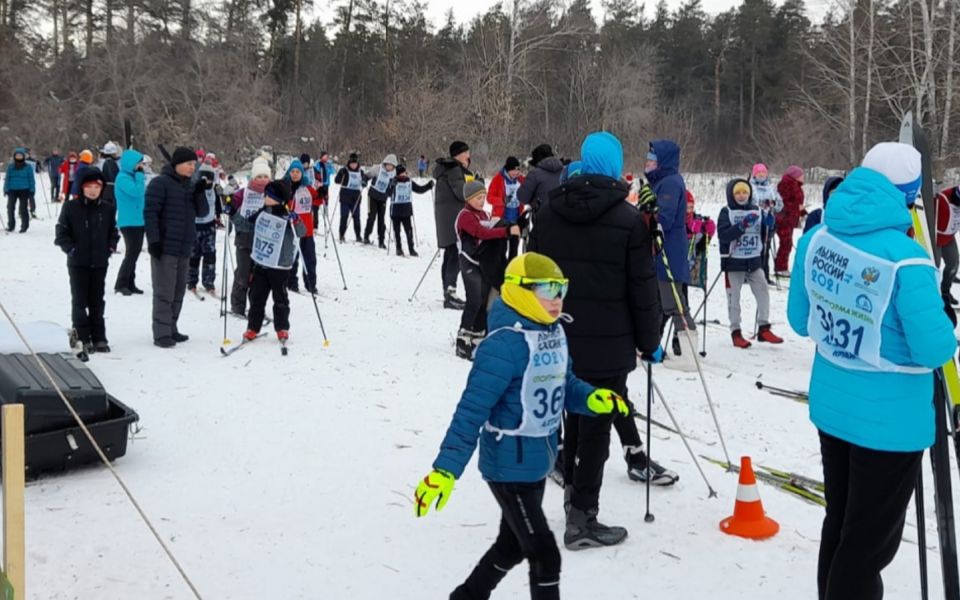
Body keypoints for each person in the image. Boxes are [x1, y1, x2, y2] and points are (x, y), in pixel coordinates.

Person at [787, 142, 957, 599]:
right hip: (890, 426)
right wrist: (943, 319)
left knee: (841, 523)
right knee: (866, 546)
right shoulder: (907, 258)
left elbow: (800, 320)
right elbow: (935, 348)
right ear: (911, 194)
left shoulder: (818, 236)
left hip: (833, 408)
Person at [414, 252, 632, 600]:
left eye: (561, 289)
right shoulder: (503, 345)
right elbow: (470, 412)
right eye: (547, 290)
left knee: (511, 545)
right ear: (519, 290)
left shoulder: (553, 332)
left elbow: (564, 384)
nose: (557, 299)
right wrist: (445, 471)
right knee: (546, 556)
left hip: (536, 462)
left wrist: (591, 398)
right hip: (507, 467)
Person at [529, 131, 663, 549]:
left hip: (559, 337)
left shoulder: (548, 214)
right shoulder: (628, 220)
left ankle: (575, 500)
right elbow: (643, 289)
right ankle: (582, 517)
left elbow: (532, 278)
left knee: (574, 417)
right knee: (595, 430)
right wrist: (650, 340)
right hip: (608, 344)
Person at [144, 147, 208, 348]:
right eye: (189, 164)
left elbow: (203, 212)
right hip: (165, 247)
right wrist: (154, 241)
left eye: (194, 164)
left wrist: (200, 193)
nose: (192, 168)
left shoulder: (189, 186)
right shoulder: (159, 184)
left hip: (184, 247)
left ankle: (171, 327)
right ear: (177, 164)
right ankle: (161, 333)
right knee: (165, 291)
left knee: (178, 291)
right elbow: (150, 214)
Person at [54, 167, 119, 355]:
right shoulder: (71, 207)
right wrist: (71, 249)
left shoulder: (107, 208)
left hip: (99, 262)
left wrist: (110, 247)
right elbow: (61, 232)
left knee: (97, 300)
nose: (92, 190)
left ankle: (99, 336)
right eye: (89, 186)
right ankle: (82, 336)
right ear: (82, 187)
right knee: (80, 300)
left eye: (97, 187)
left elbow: (113, 232)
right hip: (78, 262)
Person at [717, 178, 784, 349]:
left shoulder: (756, 210)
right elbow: (724, 235)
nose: (742, 196)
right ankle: (736, 331)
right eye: (738, 193)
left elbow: (765, 233)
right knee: (734, 298)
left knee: (763, 292)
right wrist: (742, 226)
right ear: (731, 195)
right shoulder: (726, 212)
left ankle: (763, 328)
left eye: (745, 192)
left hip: (754, 261)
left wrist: (770, 223)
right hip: (733, 262)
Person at [454, 180, 517, 360]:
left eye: (484, 197)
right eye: (478, 198)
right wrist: (506, 232)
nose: (482, 201)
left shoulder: (484, 214)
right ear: (468, 199)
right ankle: (463, 337)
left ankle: (477, 335)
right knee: (474, 300)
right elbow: (481, 233)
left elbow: (490, 229)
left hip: (482, 262)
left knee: (483, 300)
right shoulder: (465, 216)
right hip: (468, 261)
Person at [645, 140, 697, 348]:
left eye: (652, 159)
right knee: (658, 303)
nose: (648, 162)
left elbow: (664, 219)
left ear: (662, 161)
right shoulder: (660, 181)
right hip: (659, 251)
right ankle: (653, 345)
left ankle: (688, 346)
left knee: (674, 303)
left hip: (668, 251)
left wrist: (649, 210)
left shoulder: (670, 183)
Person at [242, 180, 306, 343]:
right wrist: (233, 213)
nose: (265, 197)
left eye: (268, 196)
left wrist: (296, 221)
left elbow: (302, 232)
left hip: (279, 265)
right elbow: (247, 223)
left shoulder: (287, 215)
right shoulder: (262, 212)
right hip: (262, 263)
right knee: (256, 297)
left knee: (280, 299)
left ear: (278, 199)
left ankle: (282, 328)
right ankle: (252, 327)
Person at [224, 158, 272, 317]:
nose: (262, 180)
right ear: (253, 177)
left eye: (265, 176)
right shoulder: (243, 193)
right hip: (244, 239)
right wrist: (228, 204)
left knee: (259, 278)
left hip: (263, 240)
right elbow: (231, 206)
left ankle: (256, 308)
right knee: (243, 274)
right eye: (259, 177)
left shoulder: (272, 193)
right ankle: (238, 306)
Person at [672, 190, 716, 355]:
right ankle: (655, 339)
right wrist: (688, 230)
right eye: (686, 207)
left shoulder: (695, 220)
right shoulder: (673, 221)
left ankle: (679, 340)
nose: (689, 211)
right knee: (666, 308)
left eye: (691, 207)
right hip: (669, 270)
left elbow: (701, 246)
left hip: (685, 272)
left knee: (682, 306)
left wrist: (707, 232)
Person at [434, 141, 474, 310]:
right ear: (459, 154)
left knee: (450, 255)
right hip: (454, 219)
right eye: (466, 153)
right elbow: (463, 193)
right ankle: (450, 294)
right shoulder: (454, 170)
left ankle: (448, 291)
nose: (469, 156)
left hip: (447, 218)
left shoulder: (447, 169)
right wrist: (476, 184)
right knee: (455, 256)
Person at [284, 159, 320, 293]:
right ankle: (291, 282)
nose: (295, 174)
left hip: (307, 230)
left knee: (310, 258)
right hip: (292, 230)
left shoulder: (307, 188)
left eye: (297, 172)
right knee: (293, 258)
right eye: (292, 171)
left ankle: (311, 283)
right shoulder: (286, 187)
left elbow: (317, 198)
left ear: (301, 173)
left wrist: (322, 193)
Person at [114, 148, 147, 295]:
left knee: (135, 253)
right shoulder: (123, 178)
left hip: (138, 220)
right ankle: (121, 283)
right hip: (129, 221)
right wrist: (139, 175)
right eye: (139, 164)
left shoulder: (132, 177)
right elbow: (137, 192)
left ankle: (130, 282)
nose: (141, 166)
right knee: (132, 253)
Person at [186, 162, 222, 297]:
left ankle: (208, 282)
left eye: (209, 178)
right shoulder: (195, 189)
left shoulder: (213, 190)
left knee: (210, 255)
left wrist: (220, 213)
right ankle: (191, 281)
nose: (207, 181)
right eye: (204, 178)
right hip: (195, 227)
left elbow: (218, 205)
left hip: (209, 227)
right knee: (194, 255)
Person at [388, 164, 433, 256]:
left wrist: (428, 186)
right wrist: (392, 186)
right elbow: (387, 193)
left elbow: (419, 189)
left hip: (406, 211)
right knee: (397, 231)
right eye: (402, 173)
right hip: (395, 211)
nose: (404, 174)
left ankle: (411, 249)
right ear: (398, 174)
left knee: (409, 231)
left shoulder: (409, 182)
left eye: (404, 173)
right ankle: (398, 248)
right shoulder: (393, 181)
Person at [750, 163, 783, 284]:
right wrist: (759, 205)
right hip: (754, 223)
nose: (761, 175)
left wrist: (773, 205)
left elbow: (779, 204)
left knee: (766, 249)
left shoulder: (771, 188)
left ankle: (764, 275)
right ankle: (751, 274)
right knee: (754, 249)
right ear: (754, 174)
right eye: (759, 173)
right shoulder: (750, 187)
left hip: (768, 223)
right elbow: (747, 203)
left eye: (763, 173)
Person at [488, 156, 526, 260]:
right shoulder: (498, 179)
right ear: (507, 169)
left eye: (517, 170)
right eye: (513, 170)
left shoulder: (521, 179)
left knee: (514, 249)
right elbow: (489, 198)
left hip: (516, 219)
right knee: (501, 249)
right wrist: (502, 201)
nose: (516, 172)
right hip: (502, 220)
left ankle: (512, 267)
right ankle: (501, 267)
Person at [517, 144, 563, 216]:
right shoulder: (565, 171)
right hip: (562, 216)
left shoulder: (534, 174)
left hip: (541, 216)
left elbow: (522, 197)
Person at [775, 165, 805, 276]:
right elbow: (783, 203)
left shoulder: (795, 185)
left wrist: (803, 213)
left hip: (790, 219)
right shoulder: (787, 185)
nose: (803, 177)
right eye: (801, 175)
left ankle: (781, 267)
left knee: (787, 243)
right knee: (786, 243)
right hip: (783, 219)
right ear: (795, 176)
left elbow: (797, 203)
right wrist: (796, 208)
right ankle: (780, 268)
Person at [364, 154, 398, 248]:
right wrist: (364, 180)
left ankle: (381, 241)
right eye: (388, 165)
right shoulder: (377, 168)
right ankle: (366, 236)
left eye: (392, 166)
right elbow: (367, 176)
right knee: (371, 216)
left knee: (381, 219)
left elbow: (390, 191)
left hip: (383, 198)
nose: (389, 168)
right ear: (385, 163)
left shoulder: (393, 173)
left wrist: (393, 186)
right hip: (373, 195)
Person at [936, 183, 960, 307]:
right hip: (935, 239)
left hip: (949, 238)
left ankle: (945, 291)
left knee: (953, 264)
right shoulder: (941, 198)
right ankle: (932, 295)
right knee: (934, 267)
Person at [334, 153, 366, 243]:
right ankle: (341, 235)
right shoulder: (344, 170)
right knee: (344, 216)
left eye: (355, 163)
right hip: (345, 197)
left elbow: (364, 181)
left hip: (356, 198)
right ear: (349, 163)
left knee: (356, 217)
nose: (353, 165)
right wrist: (340, 174)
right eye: (352, 163)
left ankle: (358, 236)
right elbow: (336, 180)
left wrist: (364, 182)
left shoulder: (360, 172)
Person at [4, 147, 35, 233]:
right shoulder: (10, 166)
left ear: (23, 156)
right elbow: (7, 178)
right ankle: (11, 225)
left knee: (23, 208)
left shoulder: (28, 167)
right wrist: (6, 188)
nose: (18, 157)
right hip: (12, 189)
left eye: (20, 155)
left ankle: (24, 226)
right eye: (17, 155)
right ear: (14, 156)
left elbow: (31, 179)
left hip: (24, 189)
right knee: (10, 208)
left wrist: (32, 190)